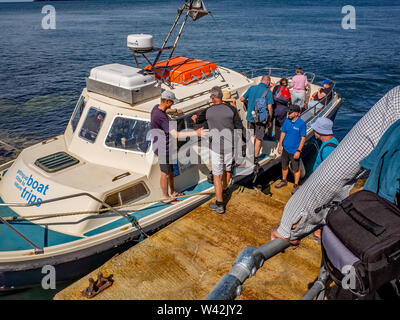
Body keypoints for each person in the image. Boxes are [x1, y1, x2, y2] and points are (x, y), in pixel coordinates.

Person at [270, 86, 400, 248]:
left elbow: (339, 169)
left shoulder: (396, 101)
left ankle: (318, 233)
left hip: (386, 233)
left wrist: (289, 227)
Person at [151, 90, 206, 205]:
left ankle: (173, 192)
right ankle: (166, 197)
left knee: (170, 172)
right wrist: (195, 133)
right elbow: (175, 134)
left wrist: (176, 111)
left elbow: (167, 110)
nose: (172, 105)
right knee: (165, 174)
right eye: (171, 103)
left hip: (165, 146)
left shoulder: (156, 108)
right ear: (167, 101)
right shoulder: (162, 117)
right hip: (163, 148)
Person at [197, 86, 243, 214]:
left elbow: (199, 120)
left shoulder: (208, 111)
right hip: (230, 146)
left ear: (212, 97)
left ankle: (219, 204)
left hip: (216, 149)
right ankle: (225, 190)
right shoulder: (232, 110)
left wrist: (194, 118)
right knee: (227, 169)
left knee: (217, 176)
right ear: (222, 97)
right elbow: (239, 127)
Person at [240, 75, 274, 162]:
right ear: (268, 82)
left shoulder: (252, 88)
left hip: (251, 117)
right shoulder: (269, 92)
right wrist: (269, 121)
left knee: (251, 136)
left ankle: (249, 154)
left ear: (261, 80)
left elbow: (242, 99)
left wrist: (248, 103)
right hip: (261, 120)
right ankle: (255, 157)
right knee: (259, 138)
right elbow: (270, 108)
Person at [275, 105, 306, 194]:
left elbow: (303, 138)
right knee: (284, 166)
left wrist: (298, 151)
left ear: (296, 113)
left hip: (294, 151)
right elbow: (283, 133)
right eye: (289, 112)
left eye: (291, 112)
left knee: (296, 169)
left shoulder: (301, 124)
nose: (289, 113)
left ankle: (296, 185)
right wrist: (280, 145)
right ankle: (284, 180)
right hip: (286, 149)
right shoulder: (287, 121)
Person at [272, 78, 291, 142]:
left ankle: (276, 138)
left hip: (275, 108)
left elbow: (272, 96)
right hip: (283, 110)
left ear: (280, 83)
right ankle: (282, 140)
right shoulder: (287, 90)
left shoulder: (276, 87)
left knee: (276, 125)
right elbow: (289, 101)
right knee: (283, 125)